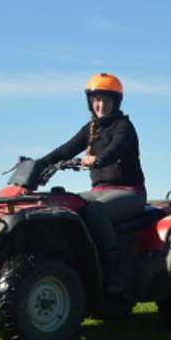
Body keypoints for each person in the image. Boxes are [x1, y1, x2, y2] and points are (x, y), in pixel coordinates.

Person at [36, 73, 147, 290]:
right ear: (90, 102)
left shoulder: (123, 126)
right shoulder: (91, 128)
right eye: (97, 100)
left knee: (96, 211)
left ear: (115, 103)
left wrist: (99, 159)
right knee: (59, 203)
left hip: (130, 192)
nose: (101, 105)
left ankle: (113, 269)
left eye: (106, 100)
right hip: (99, 190)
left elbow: (117, 148)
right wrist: (38, 163)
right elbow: (66, 149)